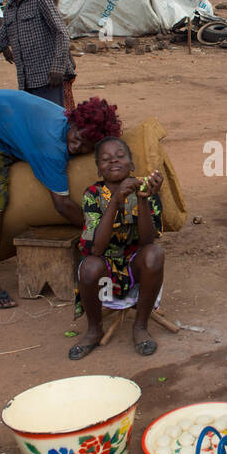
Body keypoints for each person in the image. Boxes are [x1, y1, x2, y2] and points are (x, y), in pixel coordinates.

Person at [0, 92, 122, 308]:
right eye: (76, 138)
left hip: (5, 112)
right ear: (73, 122)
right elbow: (62, 205)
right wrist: (95, 229)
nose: (76, 148)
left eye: (86, 147)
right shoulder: (51, 147)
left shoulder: (69, 127)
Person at [70, 137, 165, 360]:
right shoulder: (92, 194)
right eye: (105, 159)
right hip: (104, 267)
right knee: (89, 267)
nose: (114, 161)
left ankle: (140, 326)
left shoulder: (147, 191)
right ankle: (94, 330)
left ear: (132, 164)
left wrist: (142, 199)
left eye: (120, 156)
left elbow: (147, 241)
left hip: (134, 265)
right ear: (98, 169)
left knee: (155, 254)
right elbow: (96, 249)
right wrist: (115, 200)